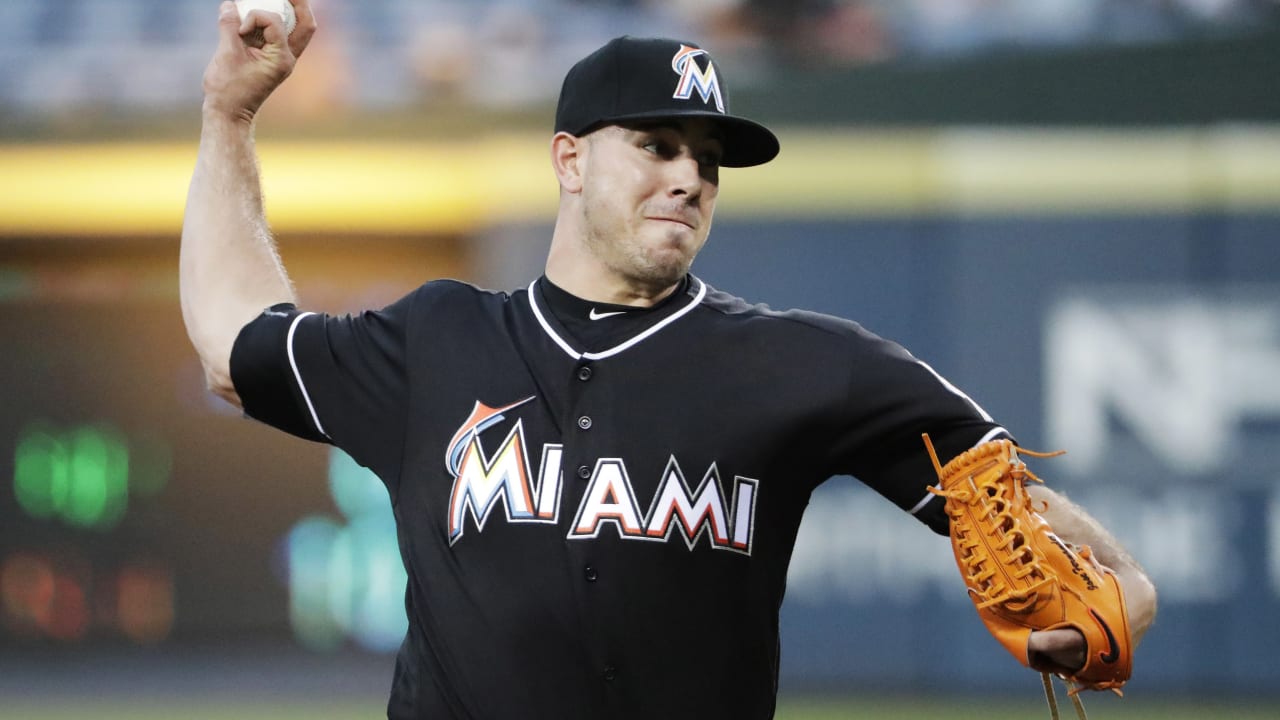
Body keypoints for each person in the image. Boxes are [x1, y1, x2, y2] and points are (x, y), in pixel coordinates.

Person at [181, 3, 1157, 718]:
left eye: (707, 159)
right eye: (655, 143)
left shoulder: (799, 364)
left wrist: (1123, 586)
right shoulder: (436, 342)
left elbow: (1003, 498)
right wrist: (228, 118)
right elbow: (232, 341)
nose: (687, 176)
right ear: (568, 161)